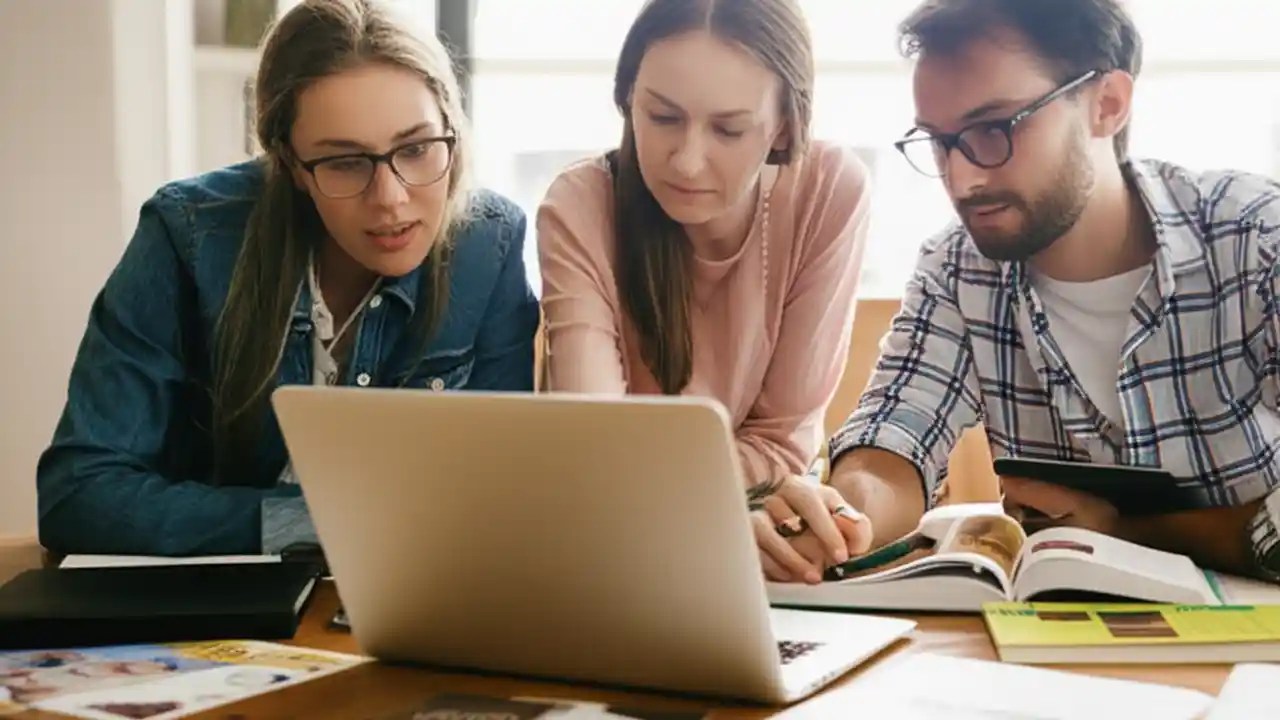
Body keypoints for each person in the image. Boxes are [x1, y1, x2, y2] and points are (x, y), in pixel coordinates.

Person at [36, 0, 539, 556]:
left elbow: (503, 494)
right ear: (290, 164)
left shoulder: (489, 243)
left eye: (417, 149)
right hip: (220, 594)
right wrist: (318, 525)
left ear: (452, 131)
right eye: (345, 162)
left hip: (414, 585)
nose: (391, 199)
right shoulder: (189, 234)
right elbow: (78, 494)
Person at [827, 0, 1280, 581]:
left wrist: (1125, 532)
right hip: (1051, 631)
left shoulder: (1256, 239)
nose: (962, 178)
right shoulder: (958, 269)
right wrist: (841, 516)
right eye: (940, 141)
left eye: (994, 129)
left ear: (1106, 104)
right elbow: (895, 430)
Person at [537, 0, 873, 584]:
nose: (688, 162)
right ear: (627, 98)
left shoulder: (829, 191)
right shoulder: (580, 206)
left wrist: (684, 499)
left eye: (729, 129)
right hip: (610, 554)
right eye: (662, 117)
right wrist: (711, 501)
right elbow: (593, 453)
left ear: (784, 125)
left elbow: (782, 443)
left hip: (750, 545)